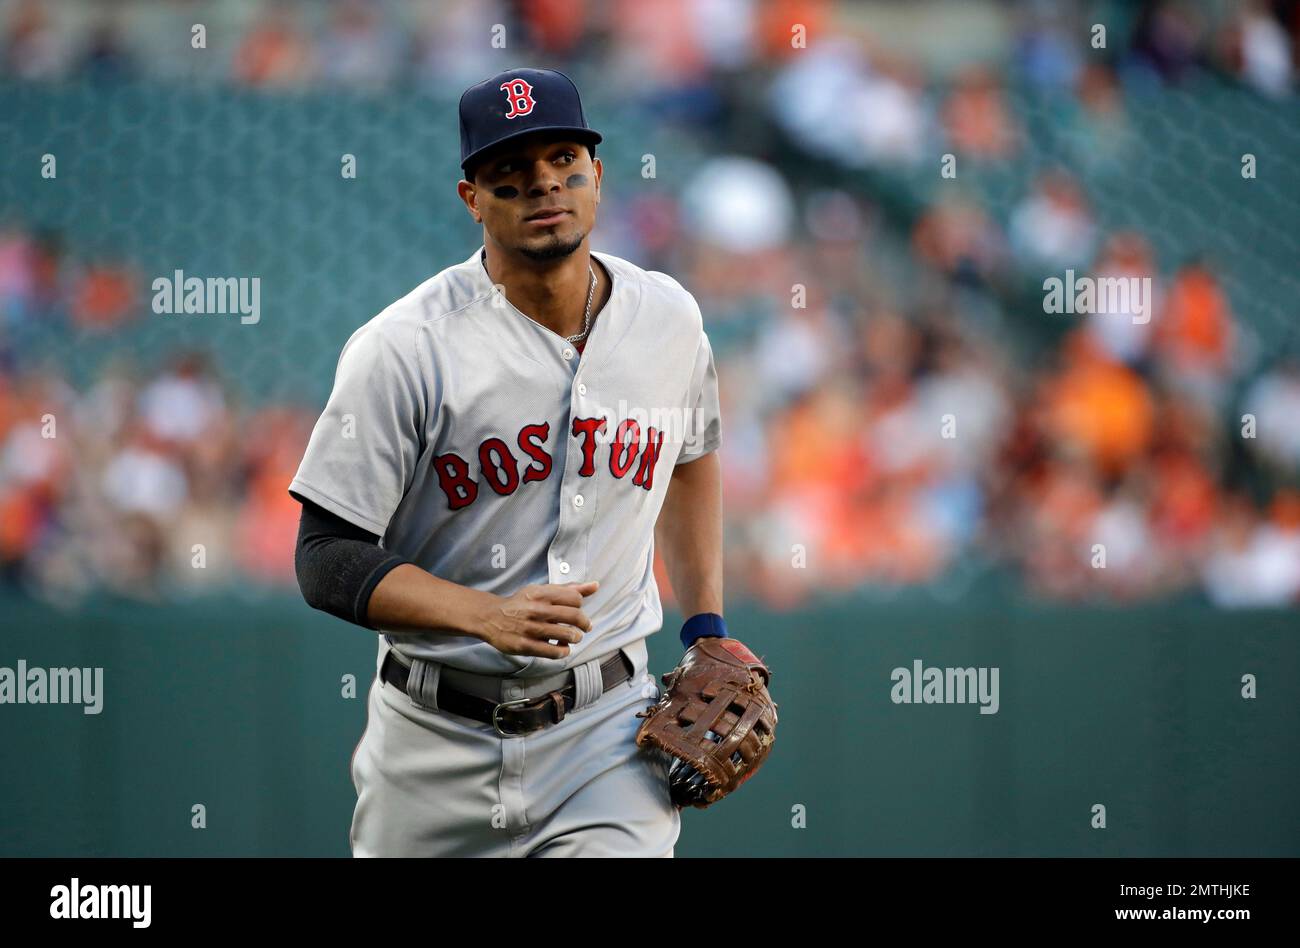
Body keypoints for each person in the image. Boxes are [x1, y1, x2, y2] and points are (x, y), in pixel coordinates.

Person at [289, 67, 725, 857]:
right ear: (472, 199)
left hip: (606, 734)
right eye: (511, 173)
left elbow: (691, 456)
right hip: (432, 744)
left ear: (599, 176)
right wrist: (484, 614)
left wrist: (706, 626)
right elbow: (325, 558)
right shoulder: (405, 349)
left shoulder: (667, 318)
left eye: (565, 160)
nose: (545, 184)